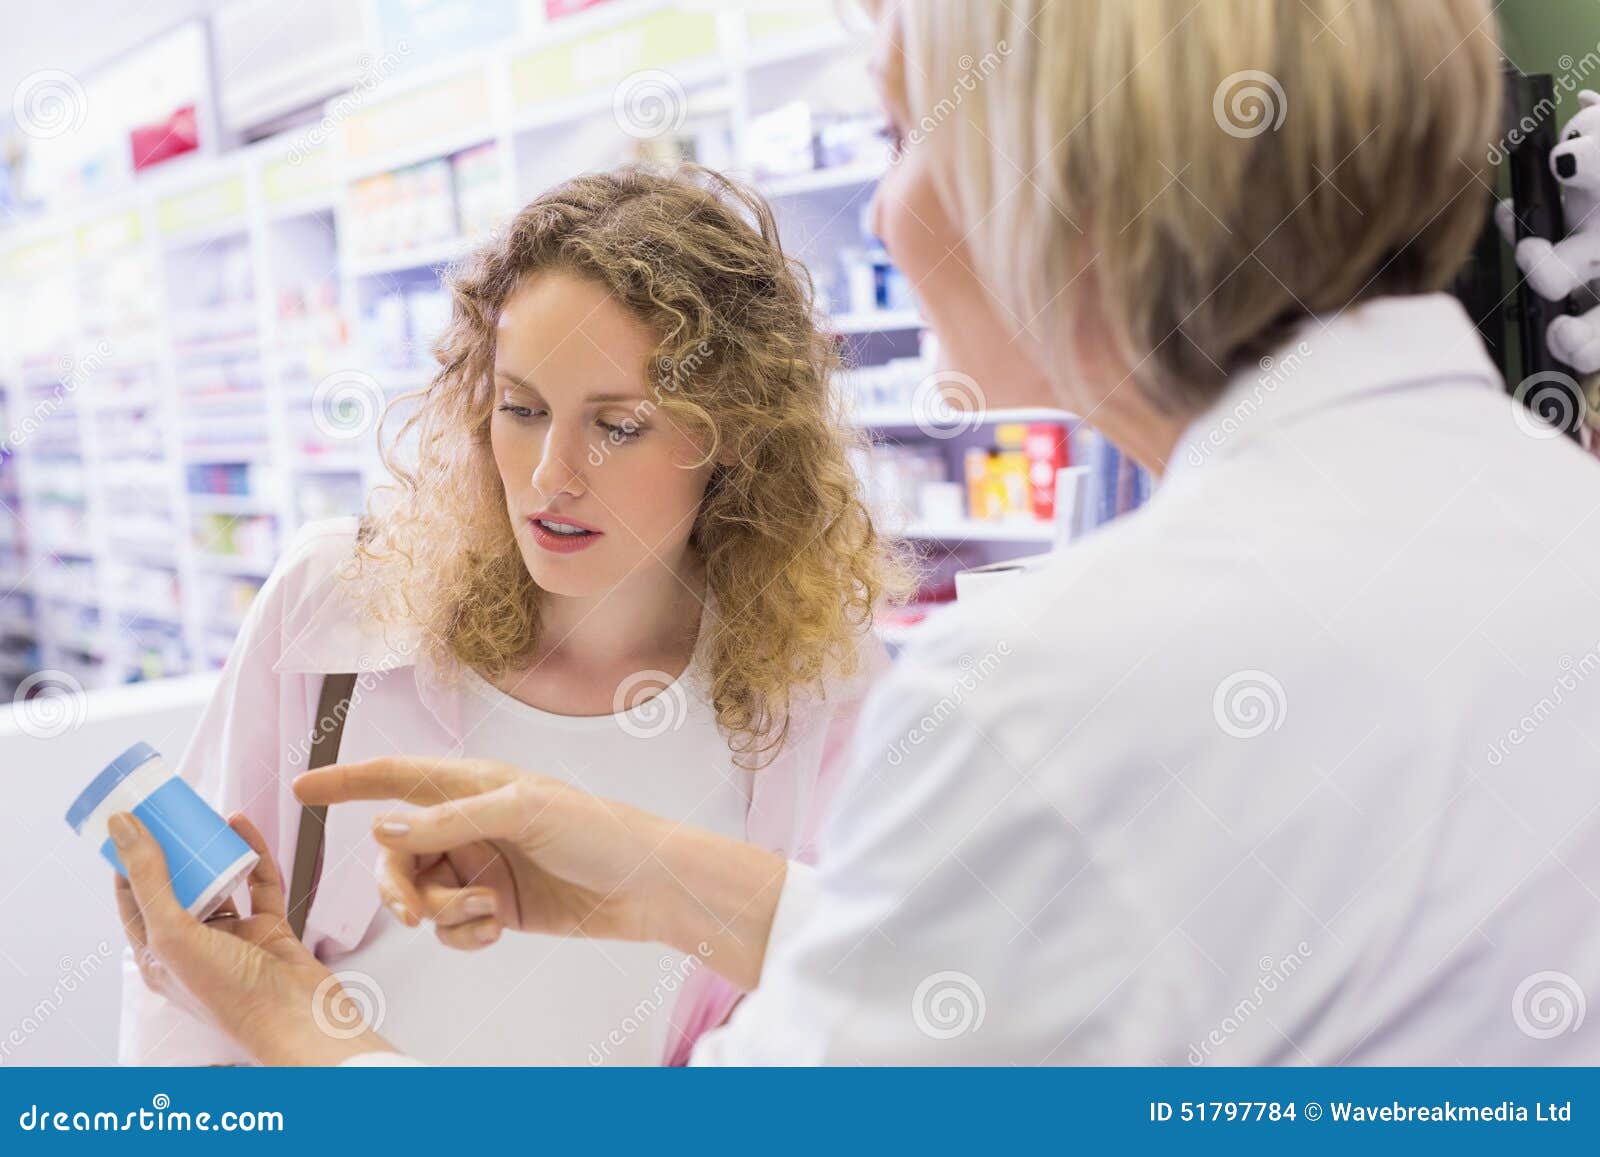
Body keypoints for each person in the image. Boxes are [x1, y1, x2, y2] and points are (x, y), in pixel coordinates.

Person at [118, 0, 1600, 1065]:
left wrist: (298, 1031)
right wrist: (660, 873)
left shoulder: (1034, 696)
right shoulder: (1552, 537)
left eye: (907, 131)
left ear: (1058, 181)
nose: (883, 214)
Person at [115, 165, 910, 1065]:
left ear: (730, 432)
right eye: (521, 409)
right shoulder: (339, 599)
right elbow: (195, 974)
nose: (550, 474)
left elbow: (859, 1001)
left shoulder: (817, 678)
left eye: (619, 425)